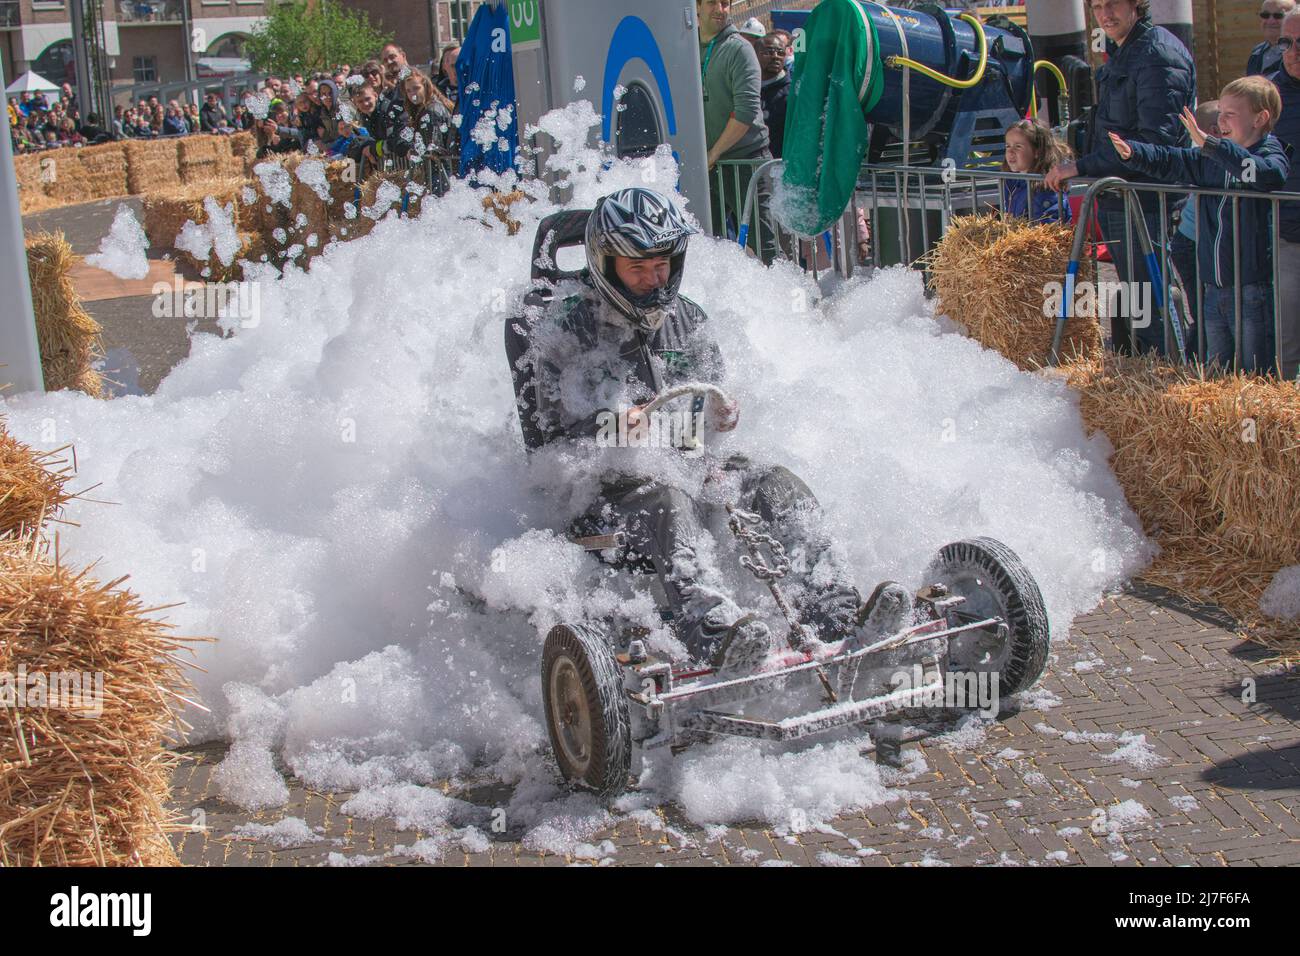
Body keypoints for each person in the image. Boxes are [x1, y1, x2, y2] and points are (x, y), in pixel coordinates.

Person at [517, 187, 908, 673]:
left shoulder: (688, 318)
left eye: (661, 266)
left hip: (686, 464)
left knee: (773, 482)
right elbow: (553, 442)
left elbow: (709, 398)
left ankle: (833, 607)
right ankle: (713, 629)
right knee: (667, 502)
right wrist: (611, 427)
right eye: (636, 269)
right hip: (601, 493)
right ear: (603, 261)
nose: (652, 280)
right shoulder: (564, 329)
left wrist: (721, 417)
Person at [1045, 0, 1196, 357]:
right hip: (1121, 192)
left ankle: (1163, 372)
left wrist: (1080, 167)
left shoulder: (1156, 53)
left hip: (1144, 195)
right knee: (1138, 292)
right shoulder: (1128, 50)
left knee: (1151, 292)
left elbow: (1149, 143)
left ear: (1136, 5)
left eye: (1113, 4)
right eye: (1097, 6)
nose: (1104, 14)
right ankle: (1146, 369)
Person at [1109, 76, 1290, 374]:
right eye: (1221, 112)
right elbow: (1172, 160)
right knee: (1215, 372)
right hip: (1212, 288)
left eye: (1231, 114)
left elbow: (1267, 175)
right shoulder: (1211, 157)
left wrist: (1214, 147)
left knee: (1254, 373)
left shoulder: (1269, 153)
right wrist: (1135, 152)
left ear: (1260, 118)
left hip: (1251, 290)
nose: (1221, 121)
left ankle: (1250, 422)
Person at [697, 0, 774, 264]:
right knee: (707, 248)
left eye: (726, 3)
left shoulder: (740, 49)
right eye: (711, 2)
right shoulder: (685, 49)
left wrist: (712, 154)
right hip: (709, 166)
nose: (720, 9)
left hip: (747, 162)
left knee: (768, 250)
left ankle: (794, 304)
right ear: (695, 6)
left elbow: (745, 111)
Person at [1001, 119, 1073, 224]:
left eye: (1018, 147)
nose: (1010, 152)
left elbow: (1047, 227)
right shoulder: (1012, 181)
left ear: (1036, 152)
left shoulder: (1046, 186)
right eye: (1008, 146)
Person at [757, 31, 790, 160]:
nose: (776, 57)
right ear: (755, 55)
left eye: (781, 53)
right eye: (768, 52)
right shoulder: (744, 88)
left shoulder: (792, 94)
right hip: (750, 168)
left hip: (780, 167)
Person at [1249, 0, 1297, 76]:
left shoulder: (1296, 53)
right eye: (1265, 15)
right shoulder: (1256, 52)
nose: (1271, 21)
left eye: (1278, 15)